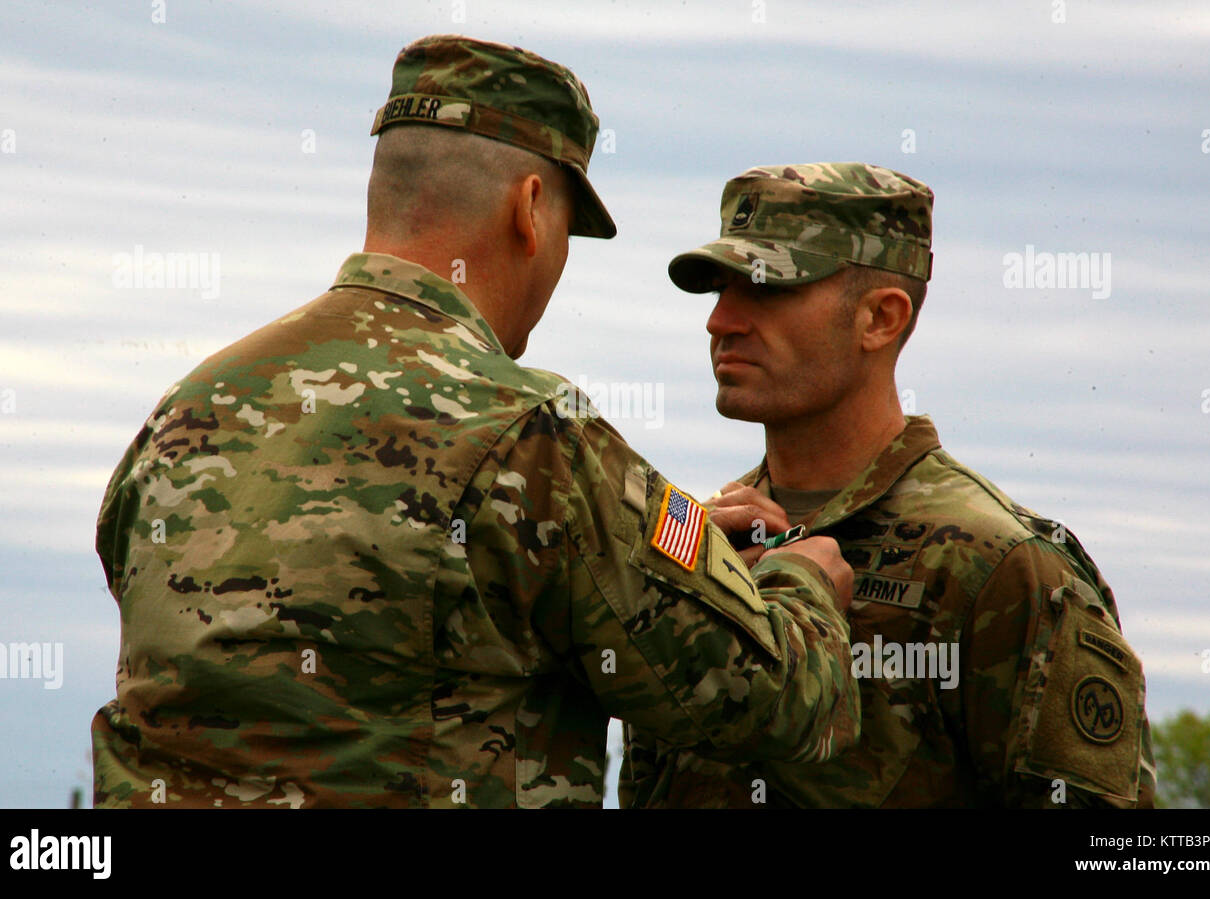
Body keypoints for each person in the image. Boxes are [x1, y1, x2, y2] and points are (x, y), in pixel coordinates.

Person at [90, 36, 860, 809]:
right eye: (565, 227)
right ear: (528, 209)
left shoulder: (181, 414)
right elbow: (776, 703)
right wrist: (803, 584)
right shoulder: (530, 436)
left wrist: (680, 563)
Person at [620, 162, 1156, 808]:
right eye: (718, 289)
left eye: (764, 289)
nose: (721, 320)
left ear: (881, 318)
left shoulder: (1002, 566)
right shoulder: (696, 543)